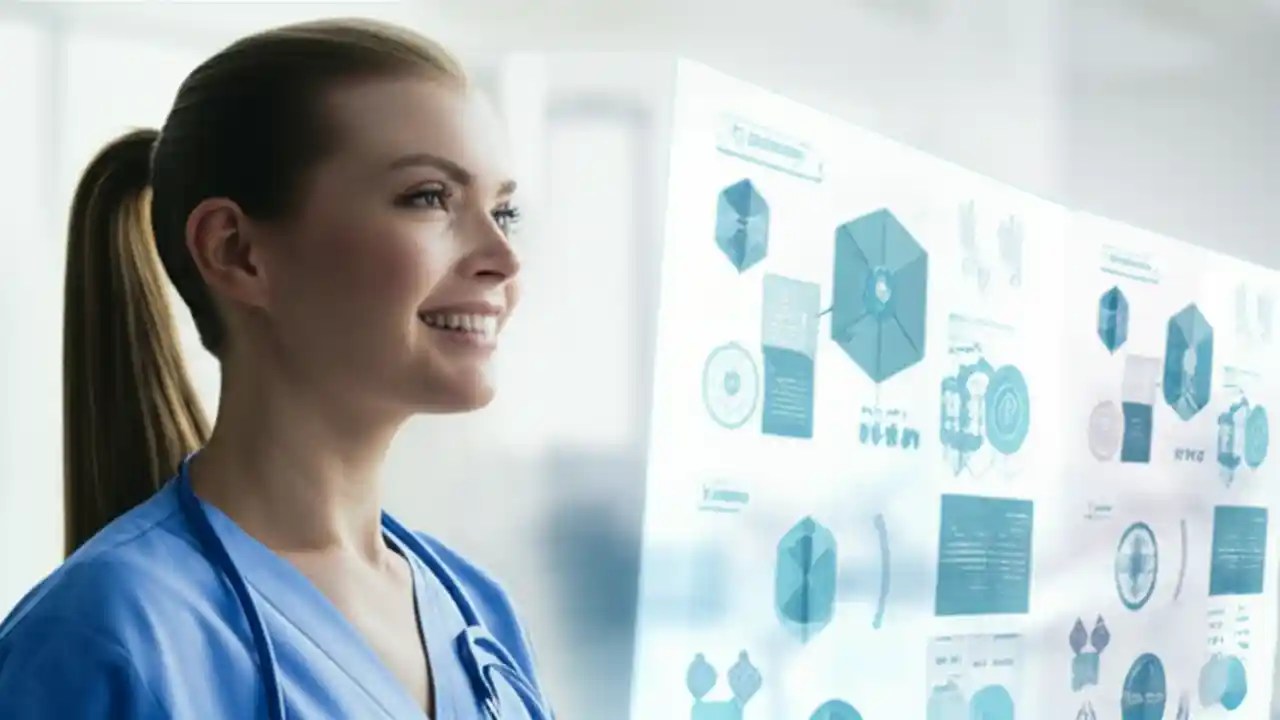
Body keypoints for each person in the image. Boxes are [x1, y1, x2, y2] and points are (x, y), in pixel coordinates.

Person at [0, 18, 552, 719]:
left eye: (504, 210)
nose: (504, 258)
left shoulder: (476, 612)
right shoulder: (103, 639)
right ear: (236, 252)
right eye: (428, 197)